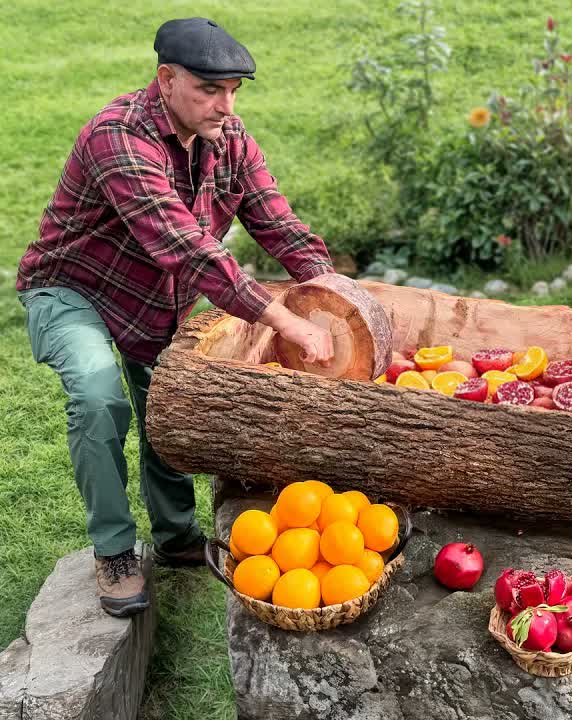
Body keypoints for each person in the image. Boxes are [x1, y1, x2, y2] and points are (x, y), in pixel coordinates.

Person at [16, 17, 335, 617]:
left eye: (235, 89)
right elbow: (187, 248)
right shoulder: (118, 137)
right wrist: (285, 321)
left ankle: (175, 535)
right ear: (166, 79)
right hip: (72, 288)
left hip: (154, 301)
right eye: (211, 89)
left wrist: (336, 289)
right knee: (97, 393)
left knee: (169, 402)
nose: (226, 104)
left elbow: (278, 223)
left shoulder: (231, 139)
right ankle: (113, 551)